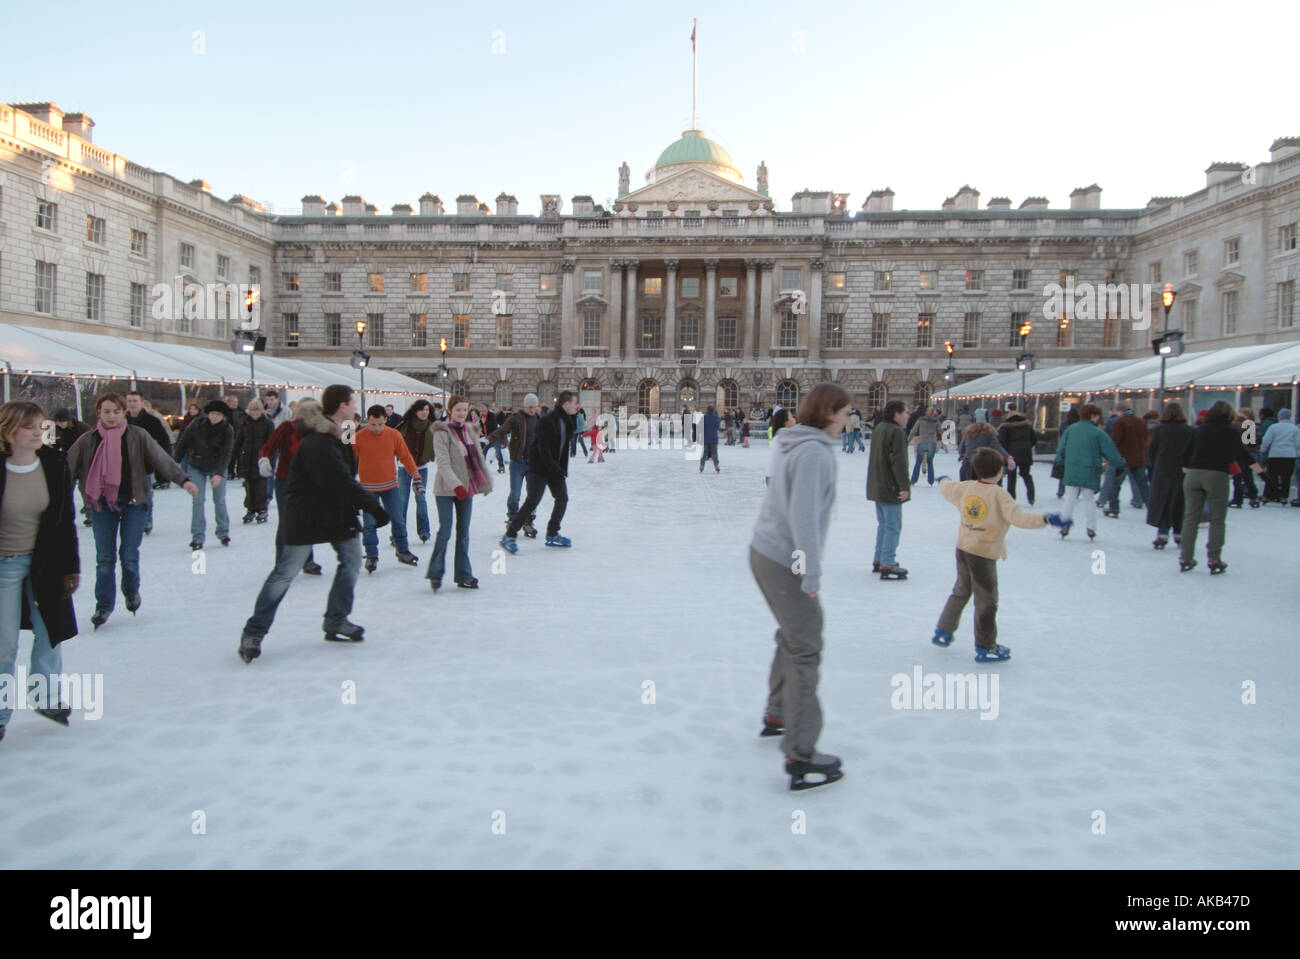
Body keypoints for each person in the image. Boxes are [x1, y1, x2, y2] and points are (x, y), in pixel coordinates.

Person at [238, 385, 389, 662]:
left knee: (352, 561)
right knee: (285, 572)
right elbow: (338, 479)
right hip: (307, 513)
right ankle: (254, 631)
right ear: (341, 405)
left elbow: (349, 467)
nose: (356, 407)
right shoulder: (317, 440)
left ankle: (336, 619)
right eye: (352, 402)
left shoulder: (342, 430)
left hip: (337, 513)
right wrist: (372, 506)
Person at [750, 383, 851, 791]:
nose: (849, 420)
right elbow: (803, 517)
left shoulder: (800, 444)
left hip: (767, 551)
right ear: (828, 413)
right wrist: (809, 573)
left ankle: (777, 712)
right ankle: (801, 752)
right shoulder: (812, 452)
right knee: (806, 642)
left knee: (791, 634)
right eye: (845, 413)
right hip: (782, 558)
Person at [66, 393, 197, 628]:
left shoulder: (137, 435)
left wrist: (183, 479)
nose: (111, 416)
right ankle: (103, 605)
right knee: (104, 559)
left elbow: (160, 458)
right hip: (100, 504)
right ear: (99, 413)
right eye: (106, 412)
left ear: (123, 412)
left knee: (128, 554)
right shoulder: (88, 440)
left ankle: (131, 591)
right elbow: (67, 468)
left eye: (116, 411)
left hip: (134, 502)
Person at [932, 447, 1065, 661]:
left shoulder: (967, 488)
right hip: (983, 554)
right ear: (1000, 471)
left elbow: (949, 489)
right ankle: (986, 646)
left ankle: (943, 630)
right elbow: (1019, 518)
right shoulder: (1000, 495)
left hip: (964, 549)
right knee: (987, 600)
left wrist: (943, 480)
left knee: (961, 591)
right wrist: (1046, 519)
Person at [0, 401, 82, 740]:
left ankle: (46, 697)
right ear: (9, 431)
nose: (38, 432)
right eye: (29, 426)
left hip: (44, 563)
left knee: (50, 631)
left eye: (40, 425)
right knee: (3, 643)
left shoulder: (52, 462)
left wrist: (70, 567)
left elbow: (65, 520)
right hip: (4, 564)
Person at [1178, 401, 1264, 574]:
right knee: (1217, 520)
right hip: (1216, 474)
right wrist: (1261, 473)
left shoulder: (1200, 429)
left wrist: (1187, 471)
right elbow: (1242, 454)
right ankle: (1214, 558)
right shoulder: (1230, 430)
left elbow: (1186, 454)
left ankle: (1185, 557)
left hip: (1194, 474)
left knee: (1190, 518)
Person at [425, 396, 494, 591]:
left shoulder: (470, 430)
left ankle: (463, 574)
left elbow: (478, 459)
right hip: (446, 489)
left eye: (465, 410)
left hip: (468, 487)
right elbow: (443, 464)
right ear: (449, 411)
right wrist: (456, 486)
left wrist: (484, 483)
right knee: (445, 531)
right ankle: (436, 572)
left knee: (463, 533)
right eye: (458, 410)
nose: (462, 414)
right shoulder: (442, 433)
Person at [499, 391, 578, 552]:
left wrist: (560, 469)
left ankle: (552, 533)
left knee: (562, 499)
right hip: (539, 468)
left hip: (555, 468)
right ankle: (510, 535)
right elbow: (543, 448)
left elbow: (563, 448)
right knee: (532, 501)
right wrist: (555, 468)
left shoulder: (567, 420)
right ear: (566, 404)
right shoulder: (547, 420)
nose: (577, 406)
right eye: (575, 403)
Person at [259, 400, 324, 576]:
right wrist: (264, 458)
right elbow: (268, 447)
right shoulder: (287, 428)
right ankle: (282, 562)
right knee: (287, 521)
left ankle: (307, 560)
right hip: (286, 481)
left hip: (309, 482)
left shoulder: (319, 430)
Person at [355, 405, 423, 572]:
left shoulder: (393, 435)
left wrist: (416, 475)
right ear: (367, 421)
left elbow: (405, 456)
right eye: (372, 424)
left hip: (390, 486)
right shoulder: (358, 436)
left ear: (386, 420)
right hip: (367, 488)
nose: (376, 428)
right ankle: (371, 555)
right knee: (369, 523)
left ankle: (402, 550)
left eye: (380, 424)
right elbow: (345, 455)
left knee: (398, 519)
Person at [1052, 403, 1124, 541]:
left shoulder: (1070, 429)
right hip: (1090, 469)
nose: (1098, 419)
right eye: (1097, 416)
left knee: (1070, 498)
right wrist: (1120, 463)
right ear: (1093, 416)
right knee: (1089, 499)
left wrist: (1060, 462)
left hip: (1072, 468)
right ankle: (1091, 528)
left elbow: (1061, 448)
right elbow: (1110, 451)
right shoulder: (1097, 432)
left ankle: (1065, 525)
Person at [173, 400, 235, 550]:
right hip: (197, 465)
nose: (214, 417)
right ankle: (197, 536)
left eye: (218, 414)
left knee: (219, 500)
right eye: (212, 413)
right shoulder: (197, 424)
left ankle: (223, 532)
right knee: (197, 500)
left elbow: (227, 453)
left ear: (223, 416)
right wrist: (174, 464)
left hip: (217, 466)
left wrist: (219, 473)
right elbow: (183, 442)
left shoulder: (227, 429)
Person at [867, 400, 912, 579]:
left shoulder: (879, 428)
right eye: (905, 412)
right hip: (890, 486)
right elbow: (899, 462)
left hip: (877, 484)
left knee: (884, 525)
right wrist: (904, 486)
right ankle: (887, 561)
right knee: (893, 526)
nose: (908, 416)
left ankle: (879, 558)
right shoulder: (896, 432)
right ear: (896, 414)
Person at [487, 394, 541, 539]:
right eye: (530, 407)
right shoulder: (516, 418)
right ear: (524, 406)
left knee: (532, 495)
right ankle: (512, 517)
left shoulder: (539, 419)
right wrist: (489, 440)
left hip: (534, 463)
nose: (532, 410)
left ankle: (529, 520)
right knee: (515, 493)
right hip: (517, 462)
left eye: (535, 407)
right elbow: (502, 430)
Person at [1144, 403, 1195, 549]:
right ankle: (1179, 532)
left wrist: (1155, 464)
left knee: (1163, 501)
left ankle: (1163, 531)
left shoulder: (1159, 430)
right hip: (1182, 469)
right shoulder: (1189, 430)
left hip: (1163, 469)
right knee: (1179, 501)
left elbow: (1152, 450)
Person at [124, 391, 173, 533]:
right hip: (125, 464)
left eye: (134, 401)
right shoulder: (122, 420)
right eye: (129, 401)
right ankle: (132, 520)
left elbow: (164, 441)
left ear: (141, 402)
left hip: (144, 464)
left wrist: (156, 456)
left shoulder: (151, 421)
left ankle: (146, 520)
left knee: (144, 495)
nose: (132, 404)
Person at [396, 400, 435, 544]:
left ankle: (424, 531)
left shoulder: (432, 427)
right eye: (422, 409)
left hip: (421, 468)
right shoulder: (405, 425)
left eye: (427, 409)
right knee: (402, 500)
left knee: (421, 498)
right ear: (415, 411)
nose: (425, 412)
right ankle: (398, 533)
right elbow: (394, 441)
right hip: (404, 467)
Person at [1101, 408, 1151, 517]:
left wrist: (1110, 456)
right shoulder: (1142, 422)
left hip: (1122, 459)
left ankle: (1114, 508)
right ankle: (1152, 510)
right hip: (1138, 459)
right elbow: (1146, 440)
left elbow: (1114, 440)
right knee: (1143, 485)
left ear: (1121, 412)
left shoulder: (1120, 422)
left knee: (1115, 484)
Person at [234, 398, 274, 524]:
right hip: (246, 458)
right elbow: (239, 441)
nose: (255, 415)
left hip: (261, 458)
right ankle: (250, 508)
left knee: (260, 486)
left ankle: (262, 508)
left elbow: (271, 443)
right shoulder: (244, 422)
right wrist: (235, 456)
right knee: (249, 485)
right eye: (253, 412)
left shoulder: (267, 423)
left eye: (257, 412)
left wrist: (270, 459)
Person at [997, 410, 1038, 504]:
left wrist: (1006, 453)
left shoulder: (1005, 427)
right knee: (1026, 475)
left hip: (1011, 454)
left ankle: (1011, 498)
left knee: (1011, 477)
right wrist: (1027, 447)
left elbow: (1002, 441)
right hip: (1026, 454)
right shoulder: (1027, 426)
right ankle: (1031, 496)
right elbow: (1034, 439)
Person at [1259, 409, 1299, 504]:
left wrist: (1263, 450)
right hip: (1290, 455)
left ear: (1279, 416)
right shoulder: (1294, 429)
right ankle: (1283, 496)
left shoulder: (1274, 427)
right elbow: (1298, 444)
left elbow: (1266, 440)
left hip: (1275, 454)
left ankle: (1270, 495)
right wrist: (1297, 455)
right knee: (1286, 477)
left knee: (1272, 475)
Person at [1228, 408, 1261, 508]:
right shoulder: (1251, 424)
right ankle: (1253, 496)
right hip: (1250, 454)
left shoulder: (1237, 424)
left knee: (1238, 477)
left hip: (1239, 454)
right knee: (1247, 476)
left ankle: (1237, 499)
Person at [908, 406, 942, 485]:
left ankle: (913, 480)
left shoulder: (921, 420)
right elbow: (940, 431)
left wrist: (908, 440)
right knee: (930, 462)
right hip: (932, 442)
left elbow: (913, 431)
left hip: (922, 441)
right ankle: (931, 480)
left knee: (918, 462)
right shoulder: (936, 421)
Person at [765, 408, 793, 486]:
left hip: (773, 475)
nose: (794, 419)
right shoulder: (783, 437)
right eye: (792, 417)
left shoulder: (781, 435)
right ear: (785, 422)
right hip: (776, 477)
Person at [483, 402, 507, 473]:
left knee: (498, 453)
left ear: (498, 408)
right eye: (492, 408)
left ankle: (501, 466)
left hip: (497, 437)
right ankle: (481, 467)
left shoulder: (501, 416)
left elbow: (503, 429)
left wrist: (503, 441)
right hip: (490, 437)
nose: (492, 409)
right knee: (484, 450)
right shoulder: (491, 415)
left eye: (494, 408)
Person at [699, 405, 720, 473]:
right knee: (715, 453)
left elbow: (700, 426)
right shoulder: (716, 417)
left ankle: (702, 466)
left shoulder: (704, 417)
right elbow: (717, 426)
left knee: (705, 453)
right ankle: (716, 465)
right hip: (714, 437)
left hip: (706, 437)